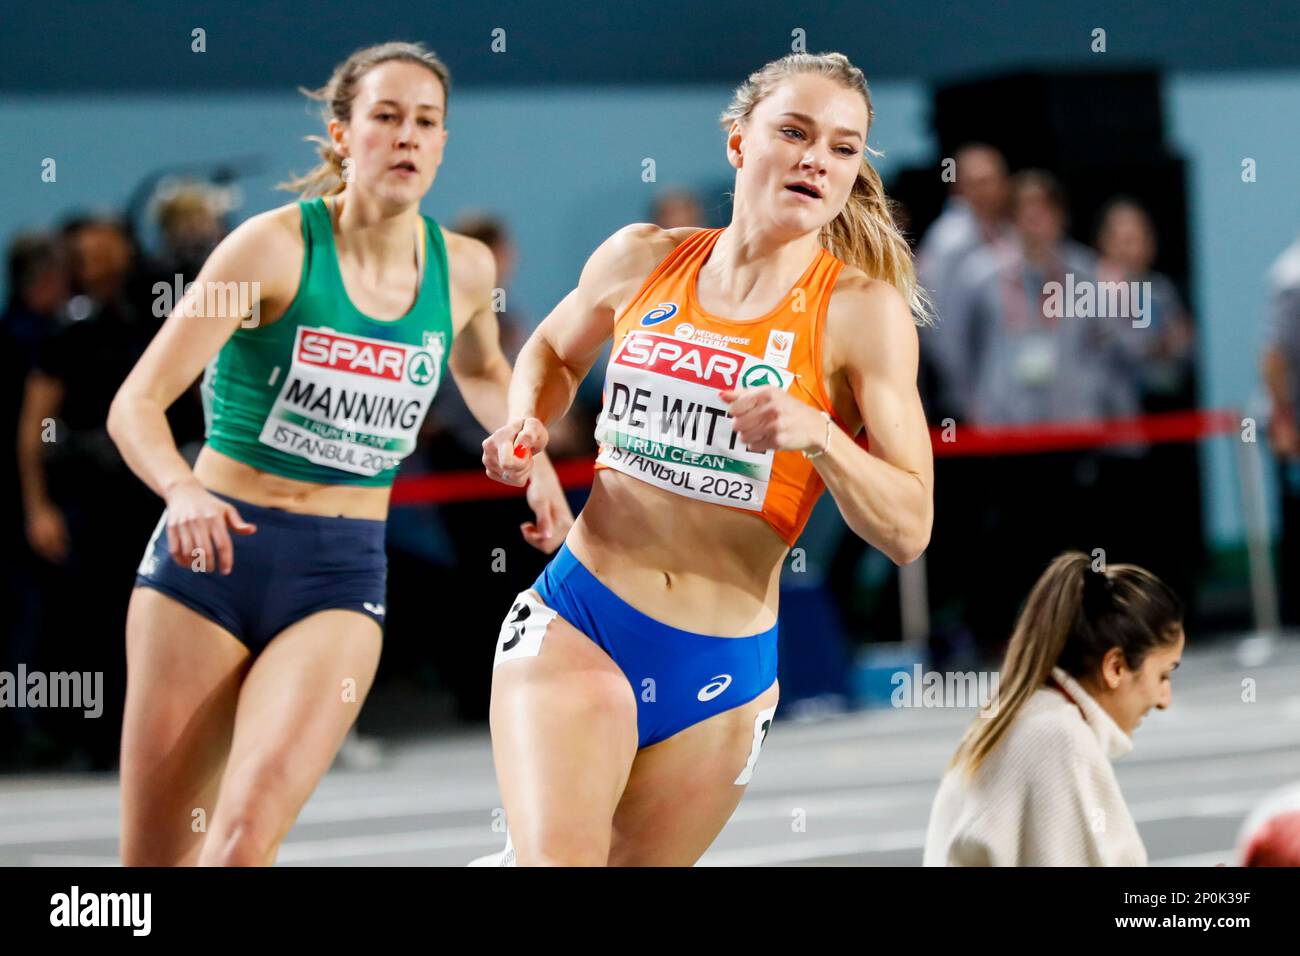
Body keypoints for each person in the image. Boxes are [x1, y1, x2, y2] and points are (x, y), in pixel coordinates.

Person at [107, 41, 571, 866]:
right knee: (154, 862)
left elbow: (479, 370)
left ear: (442, 142)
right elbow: (135, 404)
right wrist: (181, 489)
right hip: (209, 560)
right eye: (385, 116)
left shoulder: (464, 269)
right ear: (341, 135)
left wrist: (528, 452)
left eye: (425, 121)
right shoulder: (269, 249)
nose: (407, 136)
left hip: (338, 572)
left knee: (243, 842)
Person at [481, 51, 934, 866]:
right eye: (794, 132)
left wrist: (822, 435)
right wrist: (526, 422)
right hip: (582, 619)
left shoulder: (863, 315)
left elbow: (908, 529)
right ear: (738, 142)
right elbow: (551, 350)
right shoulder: (642, 256)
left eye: (842, 147)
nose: (816, 160)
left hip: (722, 671)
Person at [924, 551, 1185, 866]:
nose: (1164, 700)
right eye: (1163, 675)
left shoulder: (1023, 716)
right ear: (1115, 667)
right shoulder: (1058, 737)